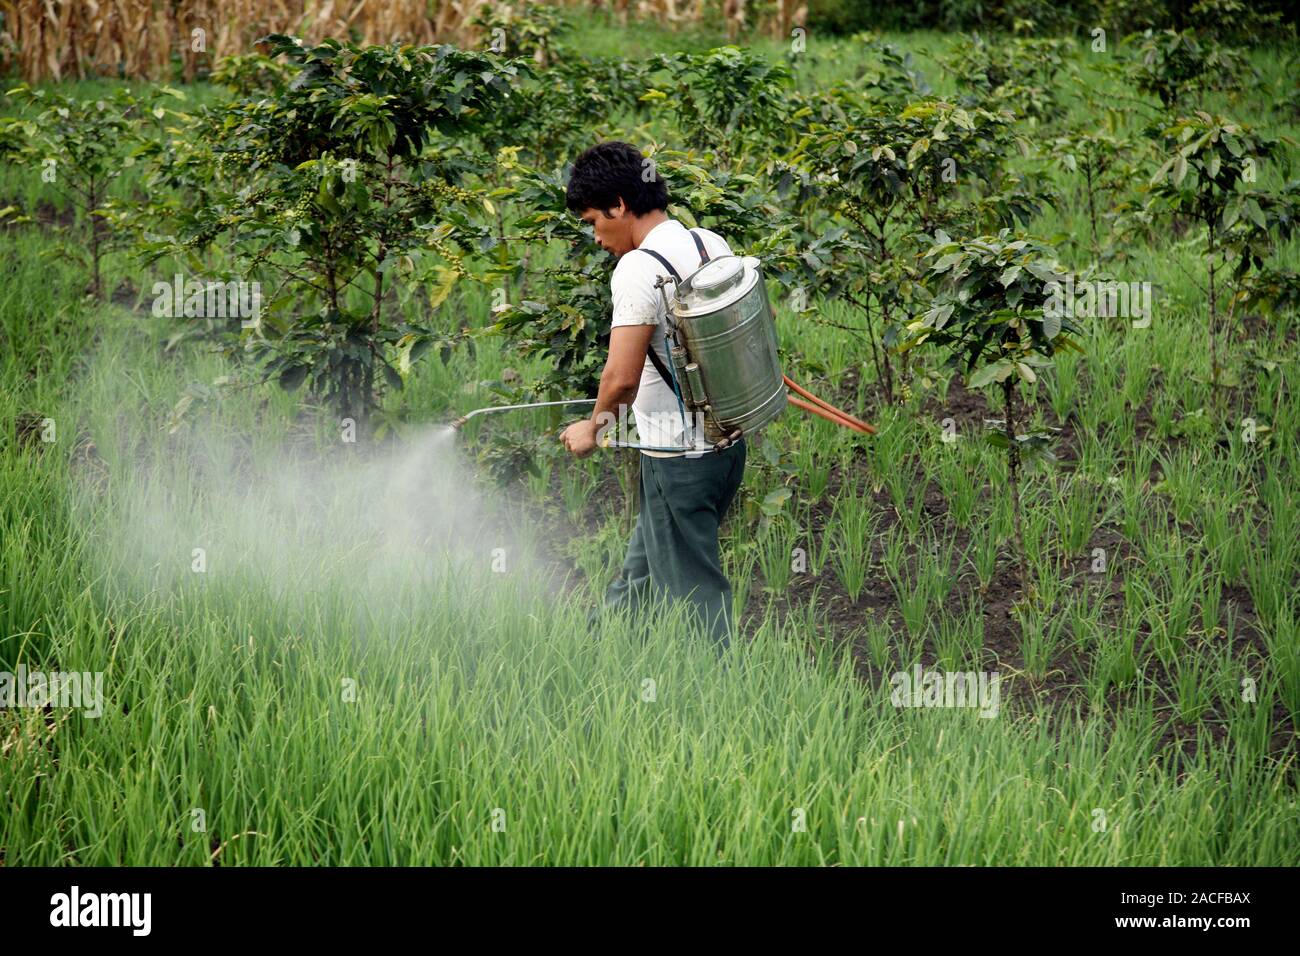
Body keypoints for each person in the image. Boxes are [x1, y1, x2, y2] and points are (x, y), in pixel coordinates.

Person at [558, 141, 746, 651]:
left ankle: (721, 692)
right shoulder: (709, 243)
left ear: (620, 205)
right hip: (725, 447)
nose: (597, 237)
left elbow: (621, 377)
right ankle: (596, 649)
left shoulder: (637, 268)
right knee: (644, 565)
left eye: (595, 220)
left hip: (677, 456)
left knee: (694, 591)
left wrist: (593, 429)